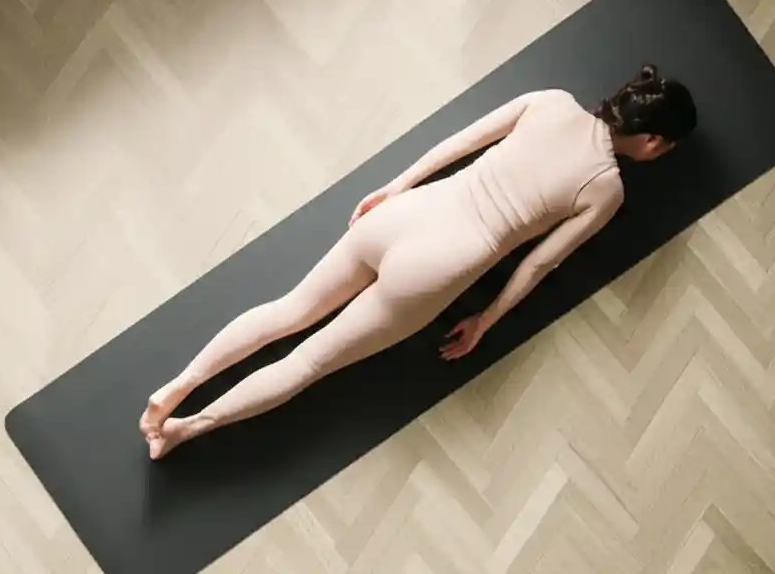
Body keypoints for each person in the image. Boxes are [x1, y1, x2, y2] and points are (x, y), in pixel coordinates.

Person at [139, 64, 697, 459]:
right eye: (666, 148)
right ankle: (185, 430)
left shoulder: (550, 99)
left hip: (412, 211)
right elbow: (536, 266)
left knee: (287, 310)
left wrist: (394, 187)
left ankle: (178, 387)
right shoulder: (606, 188)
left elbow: (459, 143)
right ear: (651, 141)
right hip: (445, 263)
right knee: (307, 364)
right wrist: (485, 320)